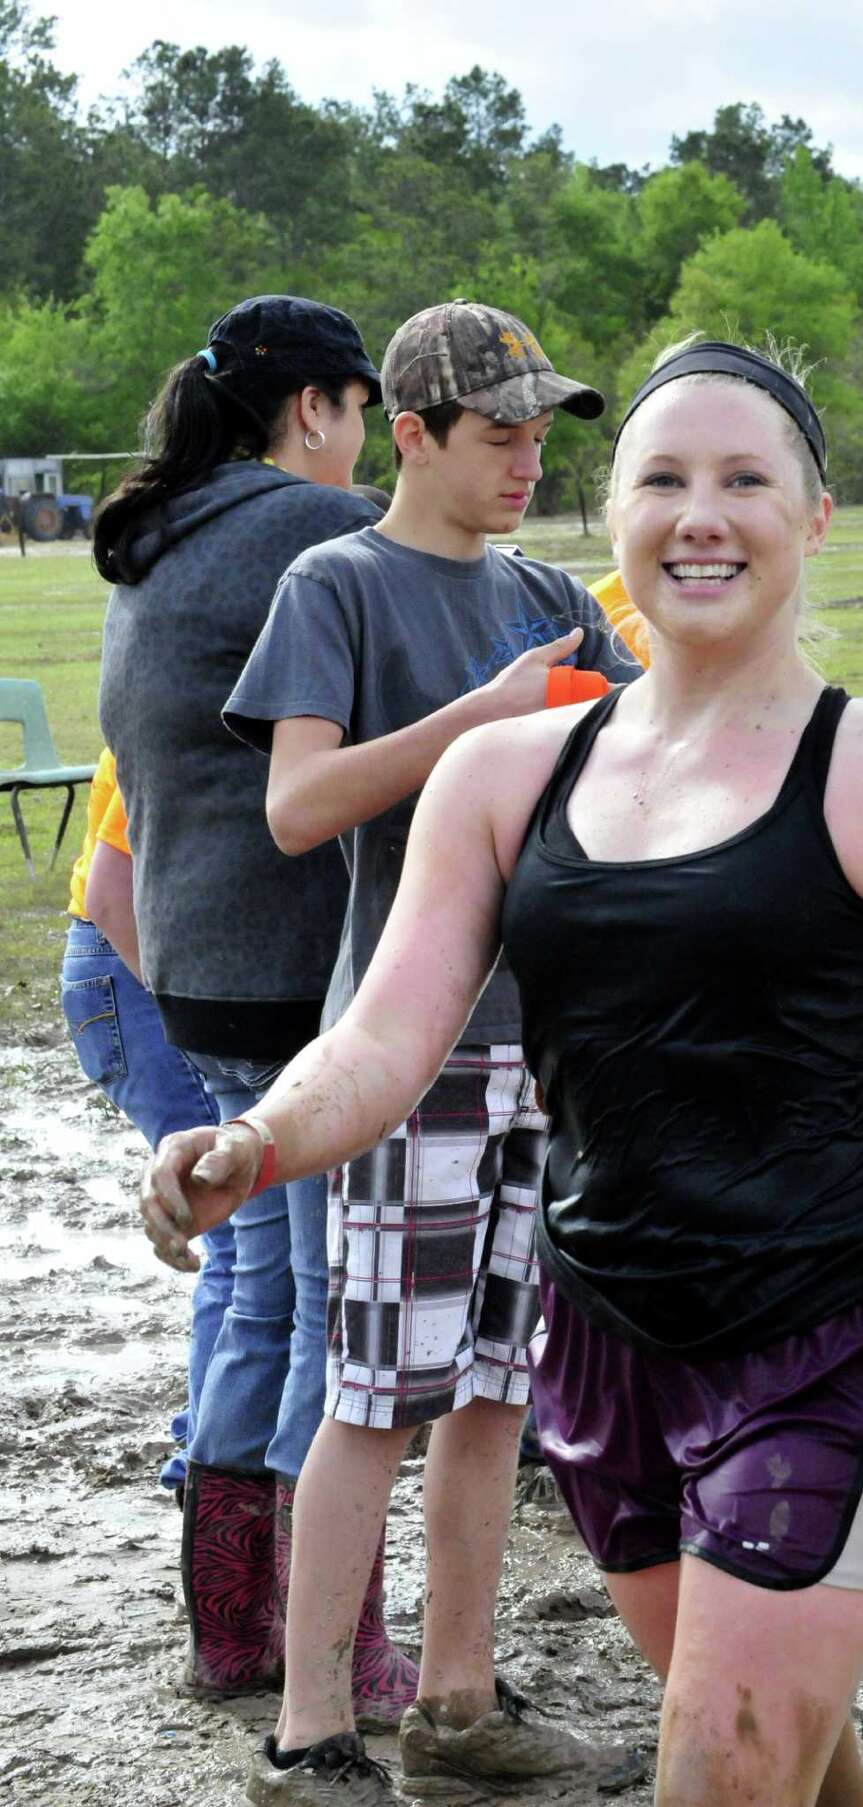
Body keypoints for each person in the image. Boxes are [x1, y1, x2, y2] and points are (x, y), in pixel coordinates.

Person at [141, 337, 863, 1807]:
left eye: (746, 479)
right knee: (792, 1762)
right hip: (603, 1337)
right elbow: (388, 1034)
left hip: (830, 1324)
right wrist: (257, 1137)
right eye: (664, 479)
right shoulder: (507, 774)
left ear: (813, 514)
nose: (702, 513)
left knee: (717, 1764)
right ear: (615, 516)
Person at [217, 299, 639, 1802]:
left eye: (542, 433)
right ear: (412, 435)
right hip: (411, 1051)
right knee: (377, 1388)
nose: (529, 458)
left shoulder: (553, 594)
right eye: (500, 432)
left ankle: (459, 1701)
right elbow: (297, 805)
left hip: (550, 1047)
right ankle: (312, 1724)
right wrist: (488, 712)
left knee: (499, 1386)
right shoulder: (335, 582)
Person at [96, 296, 416, 1725]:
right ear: (316, 411)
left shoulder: (165, 531)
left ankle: (229, 1617)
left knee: (253, 1288)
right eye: (363, 416)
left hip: (195, 970)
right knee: (324, 1304)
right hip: (290, 977)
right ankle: (324, 1634)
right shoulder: (298, 528)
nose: (363, 447)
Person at [60, 748, 231, 1492]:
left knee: (245, 1229)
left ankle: (213, 1432)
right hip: (129, 972)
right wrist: (194, 1018)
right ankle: (210, 1457)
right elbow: (109, 893)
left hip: (147, 966)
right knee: (239, 1227)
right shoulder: (183, 682)